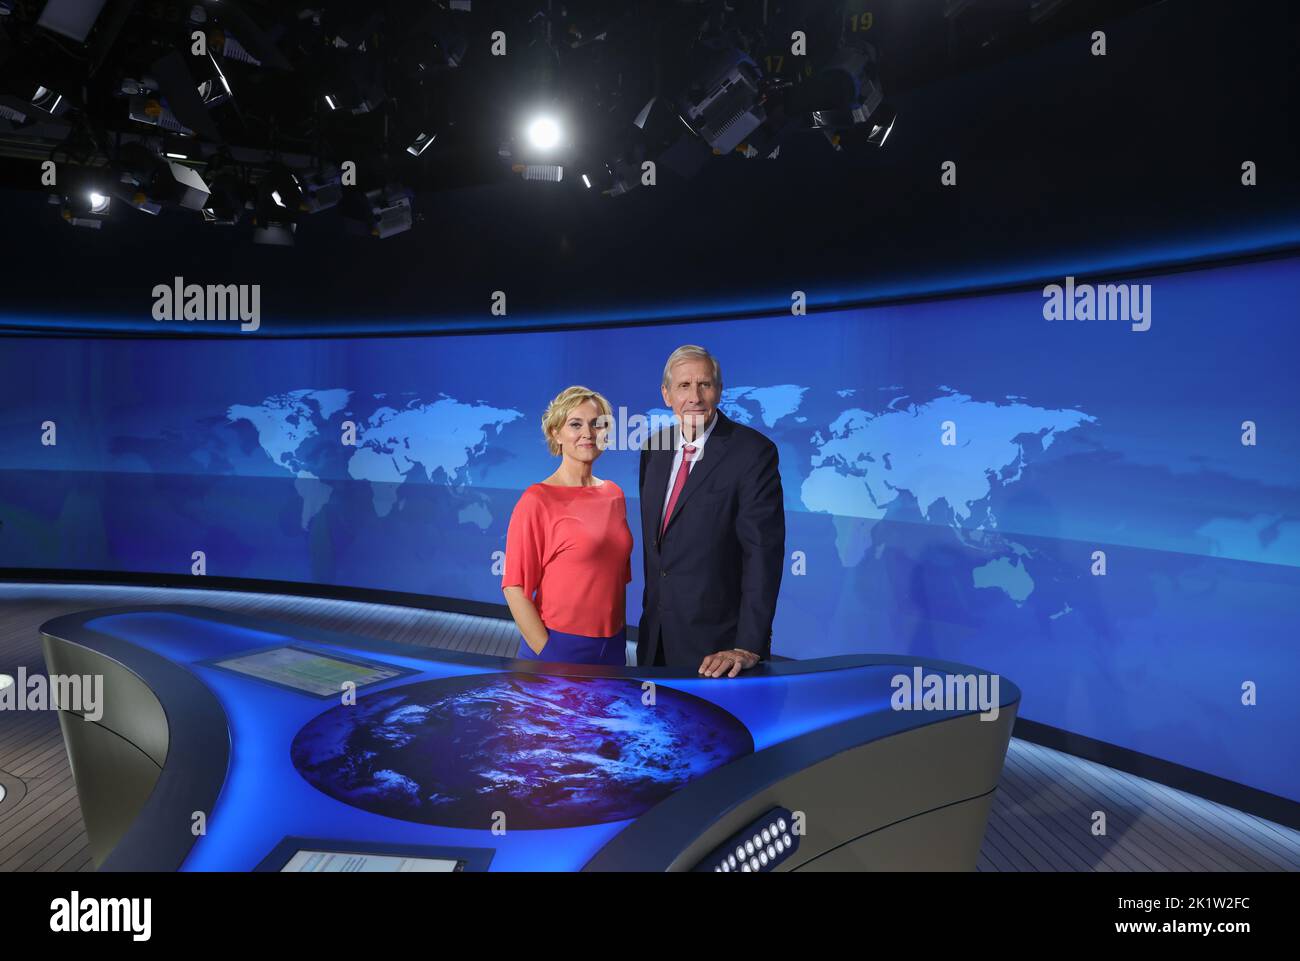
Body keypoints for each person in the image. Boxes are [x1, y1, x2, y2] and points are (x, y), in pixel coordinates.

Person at [638, 345, 785, 677]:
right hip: (654, 641)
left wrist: (748, 645)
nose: (695, 396)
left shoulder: (753, 453)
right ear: (666, 394)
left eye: (704, 384)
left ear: (719, 390)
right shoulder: (653, 448)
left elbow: (762, 554)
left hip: (719, 652)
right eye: (684, 386)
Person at [501, 386, 634, 665]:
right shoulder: (537, 500)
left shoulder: (615, 494)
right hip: (558, 648)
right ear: (555, 433)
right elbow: (514, 588)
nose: (588, 433)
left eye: (597, 424)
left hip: (613, 647)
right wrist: (549, 653)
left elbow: (616, 579)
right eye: (575, 424)